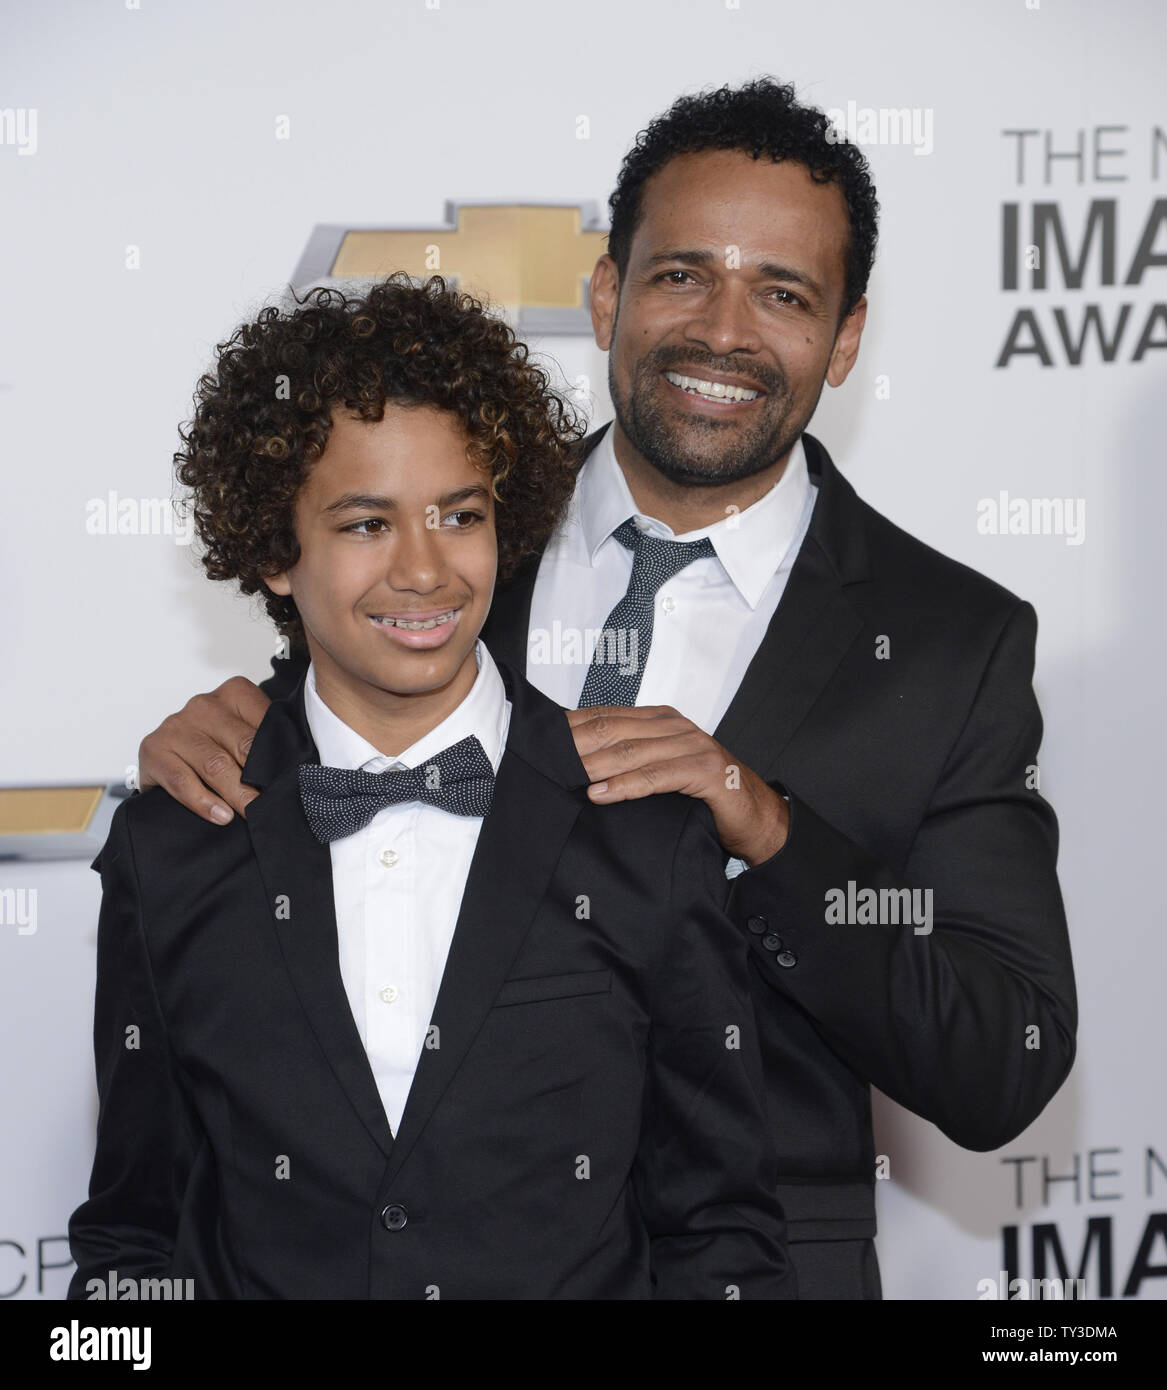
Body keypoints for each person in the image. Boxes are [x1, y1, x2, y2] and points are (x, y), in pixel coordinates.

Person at [135, 79, 1078, 1299]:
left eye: (783, 293)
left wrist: (768, 828)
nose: (724, 331)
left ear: (846, 340)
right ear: (605, 293)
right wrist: (223, 744)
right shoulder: (454, 544)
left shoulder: (950, 642)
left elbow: (1003, 1054)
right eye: (684, 273)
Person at [68, 276, 794, 1300]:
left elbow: (720, 1233)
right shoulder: (173, 845)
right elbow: (134, 1240)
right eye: (367, 525)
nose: (424, 569)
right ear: (277, 551)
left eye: (459, 514)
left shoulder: (645, 835)